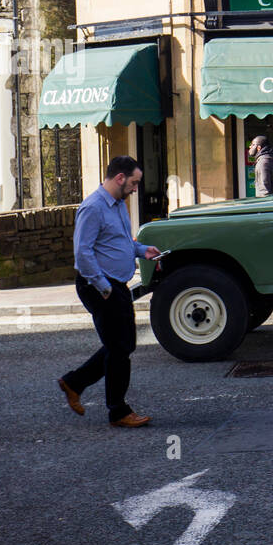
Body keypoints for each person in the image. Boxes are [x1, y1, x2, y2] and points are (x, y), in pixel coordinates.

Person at [58, 155, 161, 428]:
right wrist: (103, 288)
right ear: (119, 178)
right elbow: (82, 254)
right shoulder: (92, 208)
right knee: (120, 348)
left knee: (122, 345)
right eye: (134, 182)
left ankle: (74, 382)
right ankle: (118, 411)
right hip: (98, 285)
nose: (136, 188)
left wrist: (143, 251)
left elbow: (122, 242)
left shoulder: (118, 205)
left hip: (115, 284)